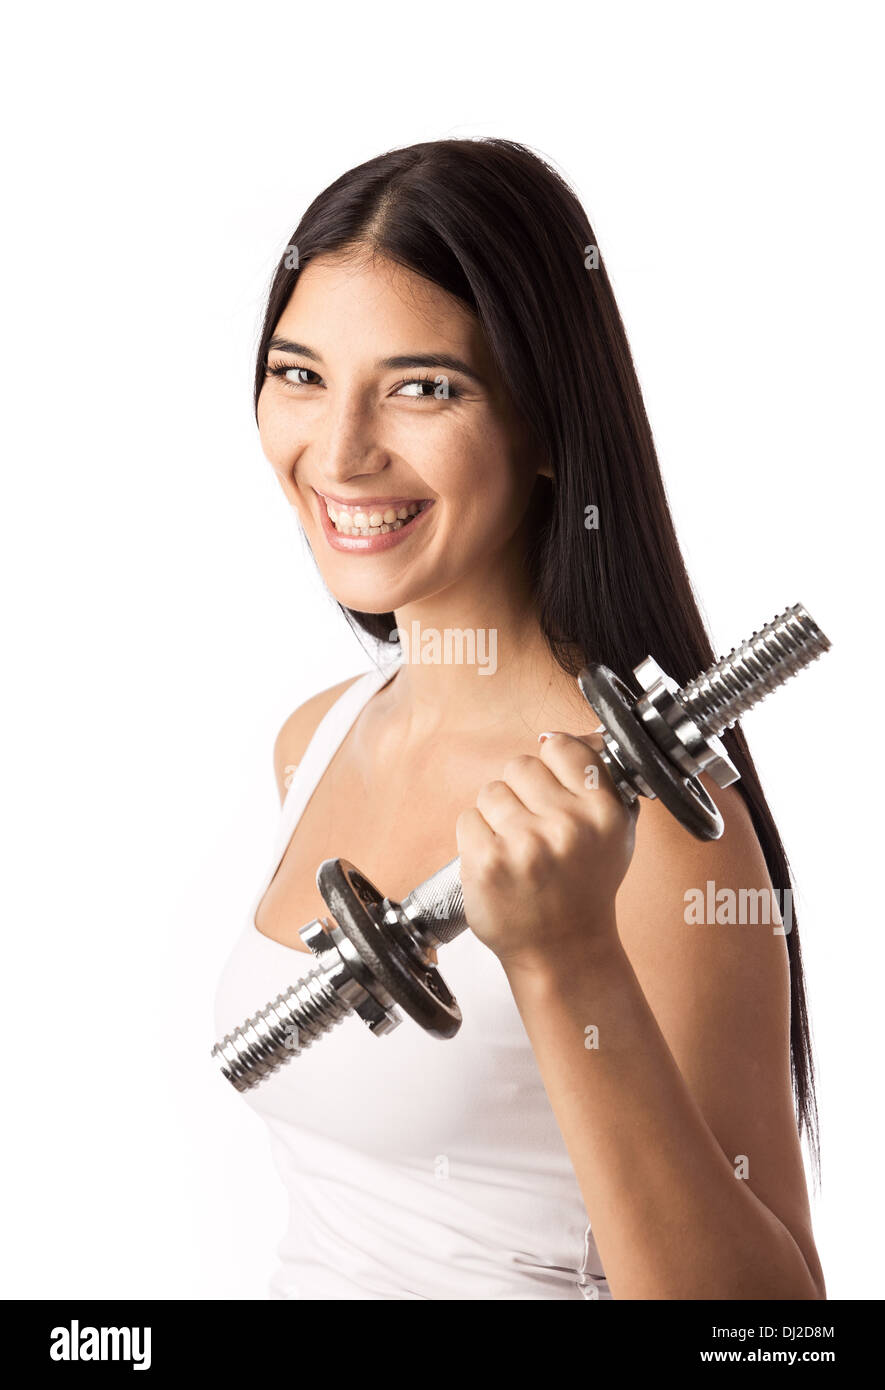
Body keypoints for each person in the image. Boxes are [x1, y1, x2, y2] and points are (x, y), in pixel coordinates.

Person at [213, 137, 826, 1301]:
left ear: (546, 426)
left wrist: (565, 953)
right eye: (300, 374)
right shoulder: (316, 739)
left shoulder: (664, 835)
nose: (338, 451)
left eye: (424, 386)